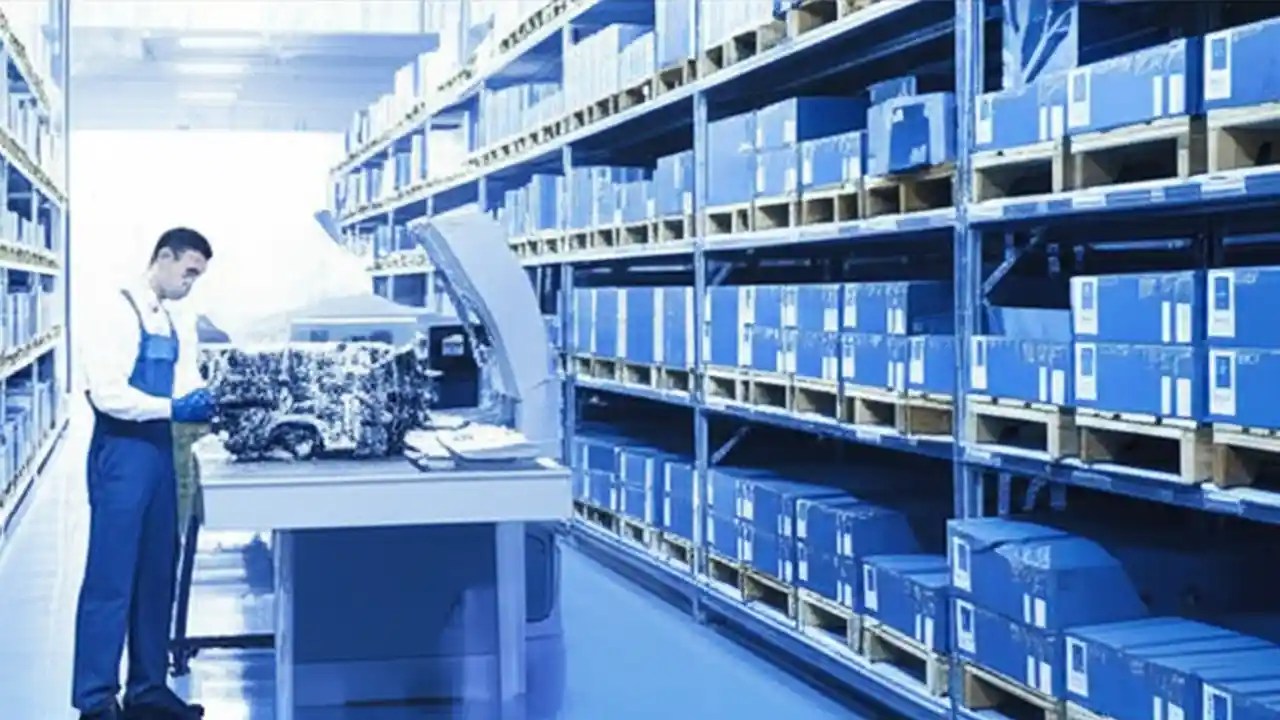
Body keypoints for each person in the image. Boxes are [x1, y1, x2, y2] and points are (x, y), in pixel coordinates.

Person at [74, 228, 217, 720]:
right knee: (111, 577)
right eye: (188, 271)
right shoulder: (116, 309)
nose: (190, 283)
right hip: (123, 453)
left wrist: (204, 398)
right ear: (163, 257)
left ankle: (148, 687)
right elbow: (107, 393)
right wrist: (173, 406)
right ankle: (95, 700)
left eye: (198, 275)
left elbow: (186, 378)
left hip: (161, 452)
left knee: (159, 568)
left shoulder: (173, 317)